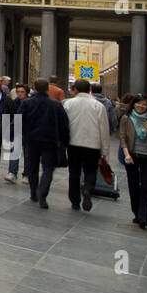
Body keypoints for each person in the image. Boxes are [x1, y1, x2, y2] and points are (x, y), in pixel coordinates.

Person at [19, 79, 68, 209]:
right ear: (47, 89)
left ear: (34, 88)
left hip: (31, 140)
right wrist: (64, 141)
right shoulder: (56, 105)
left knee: (32, 168)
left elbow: (19, 120)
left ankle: (33, 193)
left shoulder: (27, 103)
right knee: (48, 169)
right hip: (50, 141)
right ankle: (43, 192)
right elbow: (64, 124)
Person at [63, 79, 110, 211]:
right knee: (90, 170)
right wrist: (104, 151)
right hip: (93, 144)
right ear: (89, 89)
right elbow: (104, 130)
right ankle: (88, 189)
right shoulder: (98, 106)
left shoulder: (68, 104)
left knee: (74, 172)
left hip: (74, 143)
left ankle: (75, 201)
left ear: (76, 89)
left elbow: (64, 124)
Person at [120, 94, 147, 229]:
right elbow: (122, 138)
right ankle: (137, 212)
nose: (141, 106)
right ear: (133, 104)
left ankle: (144, 217)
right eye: (139, 103)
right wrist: (127, 154)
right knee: (133, 185)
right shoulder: (126, 118)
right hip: (132, 156)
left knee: (146, 187)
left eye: (144, 104)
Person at [3, 83, 29, 182]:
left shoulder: (30, 103)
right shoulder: (14, 103)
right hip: (17, 131)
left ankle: (27, 174)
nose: (20, 94)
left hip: (28, 132)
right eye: (18, 92)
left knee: (28, 154)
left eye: (22, 92)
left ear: (26, 93)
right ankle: (12, 172)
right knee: (14, 151)